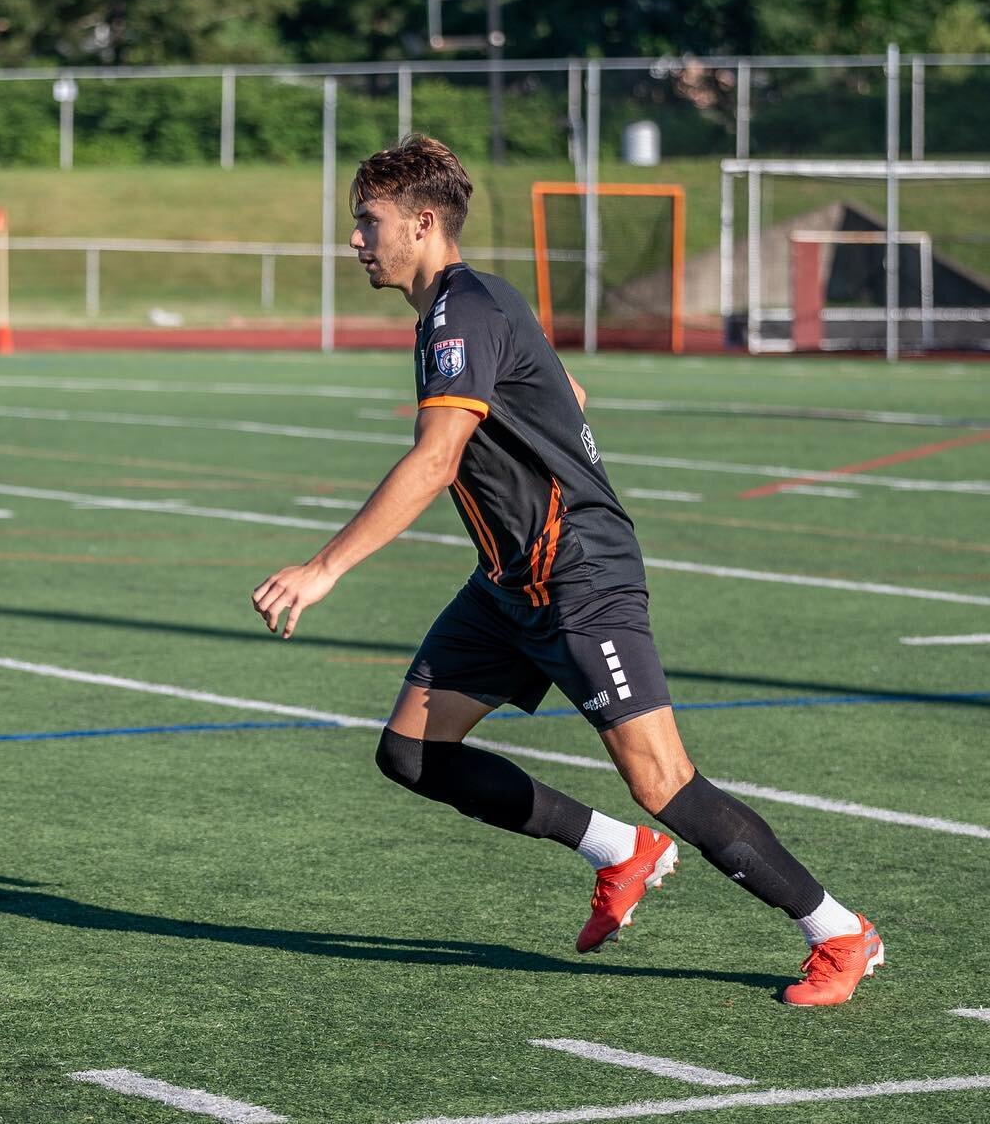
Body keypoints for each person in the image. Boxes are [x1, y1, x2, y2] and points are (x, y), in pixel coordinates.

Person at [250, 134, 882, 1007]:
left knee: (663, 781)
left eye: (370, 221)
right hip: (510, 583)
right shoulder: (469, 304)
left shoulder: (464, 310)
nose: (356, 239)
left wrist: (325, 568)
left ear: (423, 222)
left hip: (579, 576)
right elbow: (568, 393)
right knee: (412, 753)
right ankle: (619, 852)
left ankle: (838, 931)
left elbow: (436, 461)